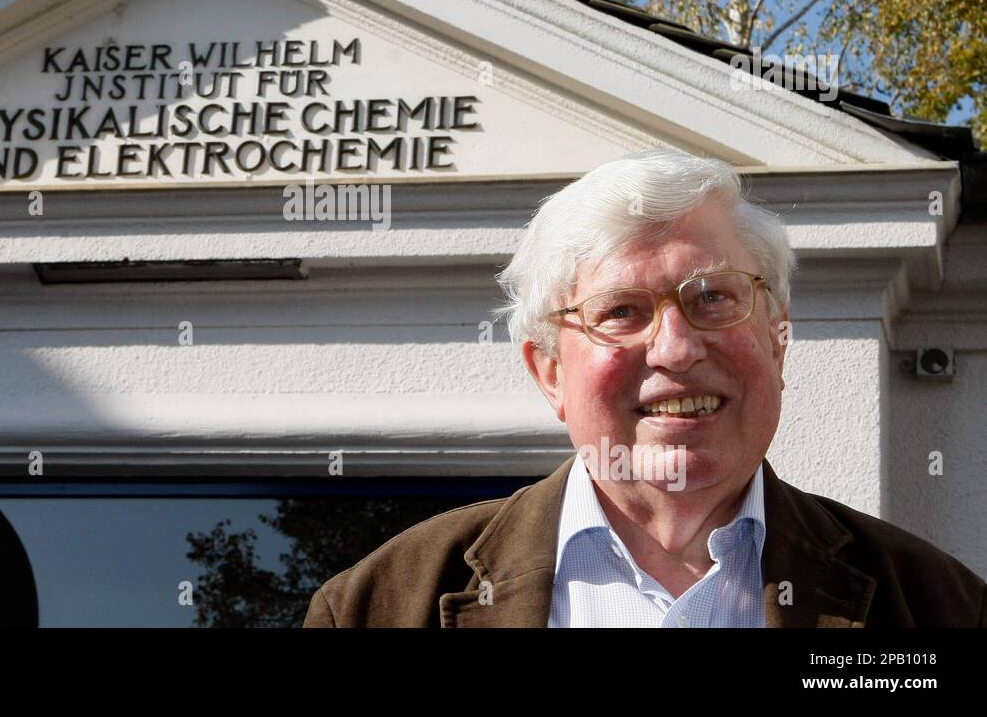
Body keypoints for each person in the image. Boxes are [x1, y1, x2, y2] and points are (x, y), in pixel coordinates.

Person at [303, 149, 986, 627]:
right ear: (549, 370)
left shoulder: (937, 607)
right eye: (620, 312)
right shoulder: (379, 607)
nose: (678, 347)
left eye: (714, 297)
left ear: (779, 339)